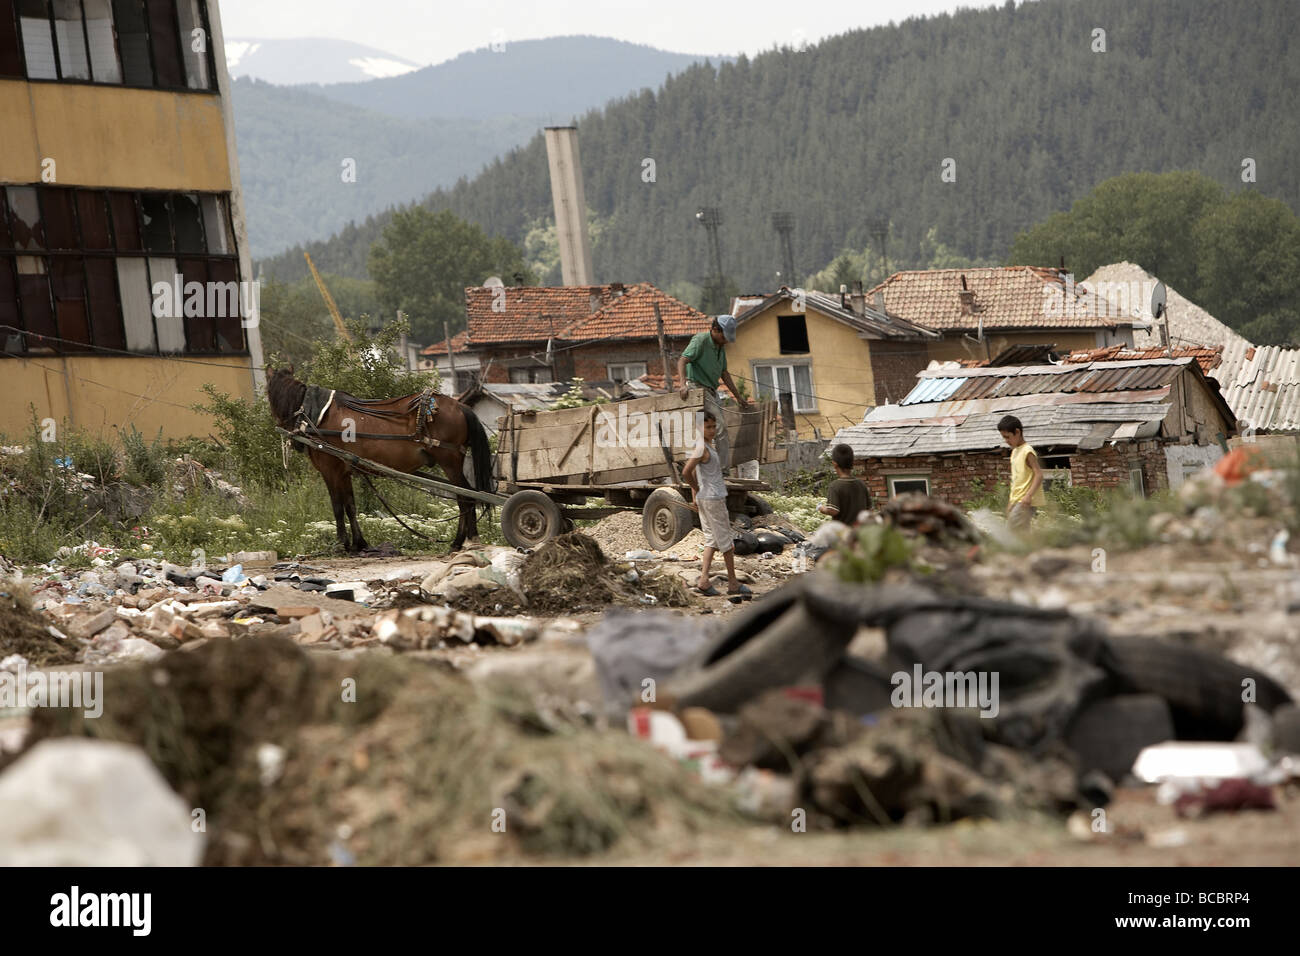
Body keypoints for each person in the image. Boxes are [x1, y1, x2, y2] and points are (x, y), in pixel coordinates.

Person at [682, 411, 750, 598]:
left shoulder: (705, 446)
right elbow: (687, 473)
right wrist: (696, 489)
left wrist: (695, 494)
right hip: (713, 499)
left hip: (707, 498)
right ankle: (733, 584)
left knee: (711, 541)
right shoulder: (701, 448)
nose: (712, 430)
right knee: (727, 544)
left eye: (713, 426)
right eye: (708, 427)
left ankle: (704, 581)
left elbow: (695, 472)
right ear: (698, 428)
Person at [678, 314, 749, 472]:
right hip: (697, 388)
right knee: (720, 427)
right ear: (715, 330)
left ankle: (705, 466)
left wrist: (738, 397)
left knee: (706, 431)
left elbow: (724, 373)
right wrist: (683, 385)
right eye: (724, 336)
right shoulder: (700, 340)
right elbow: (682, 360)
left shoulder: (720, 347)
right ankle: (724, 471)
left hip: (711, 390)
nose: (726, 341)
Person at [998, 414, 1045, 533]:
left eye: (1007, 437)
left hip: (1024, 501)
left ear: (1017, 432)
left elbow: (1038, 474)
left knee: (1011, 531)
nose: (1006, 441)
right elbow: (1016, 480)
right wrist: (1011, 502)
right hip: (1016, 500)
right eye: (1004, 437)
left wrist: (1028, 496)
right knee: (1021, 533)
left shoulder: (1027, 451)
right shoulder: (1014, 452)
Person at [818, 443, 872, 526]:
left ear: (834, 464)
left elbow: (833, 510)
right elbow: (869, 509)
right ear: (852, 463)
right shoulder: (861, 484)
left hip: (844, 533)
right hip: (861, 531)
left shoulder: (835, 486)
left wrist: (821, 508)